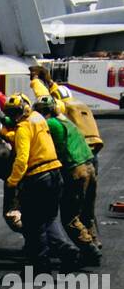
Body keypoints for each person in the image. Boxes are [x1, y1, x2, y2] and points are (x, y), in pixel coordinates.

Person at [2, 94, 79, 274]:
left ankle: (40, 268)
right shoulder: (38, 119)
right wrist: (6, 132)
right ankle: (68, 251)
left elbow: (22, 159)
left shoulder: (23, 127)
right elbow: (27, 136)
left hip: (38, 179)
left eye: (13, 112)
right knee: (50, 219)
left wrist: (12, 181)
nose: (13, 116)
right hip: (55, 174)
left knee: (33, 225)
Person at [33, 96, 100, 262]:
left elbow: (31, 126)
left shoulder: (50, 124)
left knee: (69, 217)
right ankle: (93, 240)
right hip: (90, 167)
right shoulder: (67, 121)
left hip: (76, 171)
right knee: (86, 212)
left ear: (43, 111)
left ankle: (89, 249)